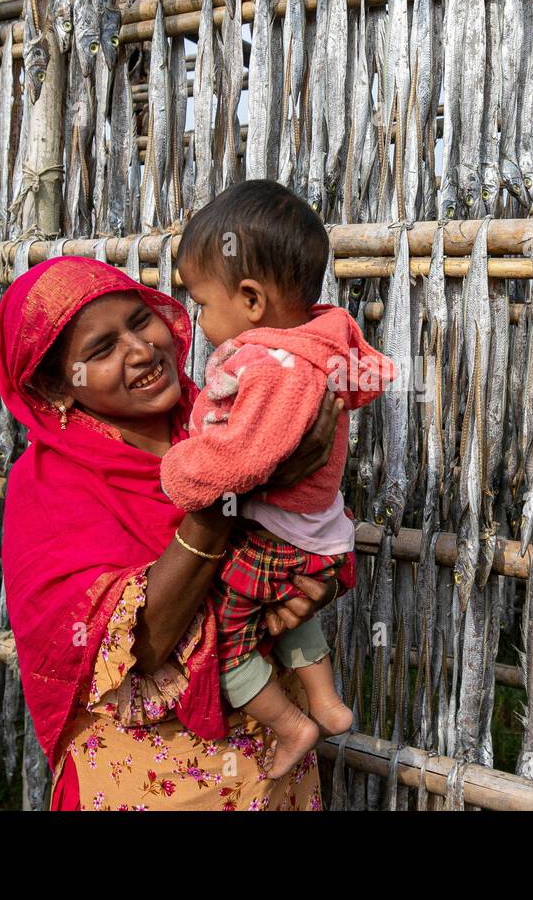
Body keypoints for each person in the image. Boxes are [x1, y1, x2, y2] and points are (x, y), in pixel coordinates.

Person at [0, 253, 342, 810]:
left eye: (139, 321)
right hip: (153, 781)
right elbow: (147, 642)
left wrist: (304, 590)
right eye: (102, 350)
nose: (140, 351)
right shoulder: (50, 487)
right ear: (58, 388)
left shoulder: (223, 415)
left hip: (274, 761)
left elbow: (307, 535)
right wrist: (232, 488)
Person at [159, 180, 395, 778]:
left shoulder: (272, 366)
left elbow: (242, 461)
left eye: (202, 304)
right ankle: (326, 699)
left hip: (279, 537)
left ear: (251, 298)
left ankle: (293, 725)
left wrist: (183, 470)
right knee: (292, 613)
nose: (199, 320)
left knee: (223, 639)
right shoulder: (315, 346)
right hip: (313, 535)